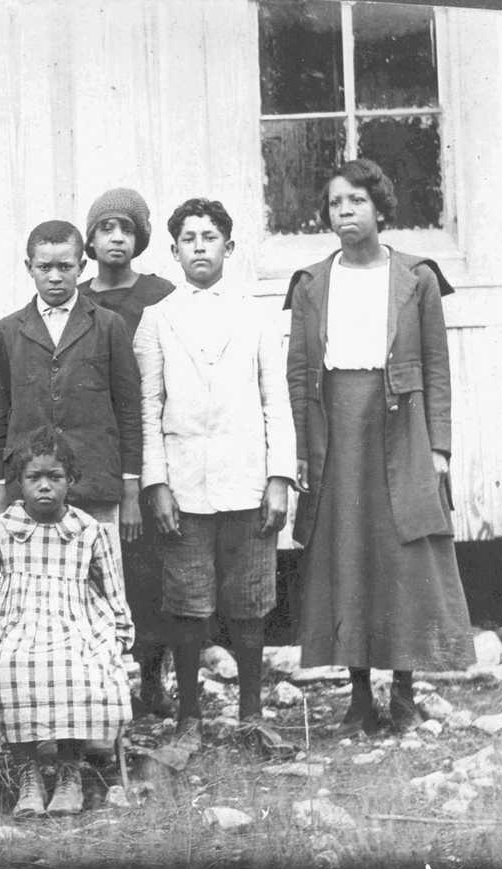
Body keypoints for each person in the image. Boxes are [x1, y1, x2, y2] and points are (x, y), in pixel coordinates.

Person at [284, 158, 474, 734]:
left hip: (402, 424)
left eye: (357, 201)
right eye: (336, 203)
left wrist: (438, 446)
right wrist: (298, 448)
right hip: (335, 425)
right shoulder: (313, 283)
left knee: (403, 552)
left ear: (380, 209)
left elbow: (437, 367)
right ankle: (360, 694)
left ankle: (407, 693)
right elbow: (299, 372)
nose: (345, 211)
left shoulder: (416, 277)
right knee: (348, 552)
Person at [135, 198, 294, 750]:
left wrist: (279, 478)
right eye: (189, 238)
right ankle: (188, 720)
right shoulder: (157, 318)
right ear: (174, 249)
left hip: (248, 482)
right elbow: (148, 405)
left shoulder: (255, 315)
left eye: (210, 237)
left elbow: (278, 401)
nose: (199, 246)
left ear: (229, 246)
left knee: (251, 601)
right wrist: (156, 484)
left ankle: (251, 715)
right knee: (187, 603)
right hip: (185, 486)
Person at [0, 430, 131, 817]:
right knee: (9, 664)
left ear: (71, 481)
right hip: (17, 618)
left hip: (73, 617)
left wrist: (120, 630)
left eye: (55, 477)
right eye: (34, 477)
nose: (44, 486)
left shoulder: (87, 530)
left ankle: (68, 771)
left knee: (76, 665)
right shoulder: (0, 528)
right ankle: (27, 773)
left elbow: (112, 589)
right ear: (20, 481)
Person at [0, 221, 142, 569]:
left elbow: (129, 409)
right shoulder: (8, 331)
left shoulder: (108, 325)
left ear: (82, 267)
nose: (55, 276)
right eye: (44, 267)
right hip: (29, 487)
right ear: (29, 268)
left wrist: (130, 489)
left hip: (95, 482)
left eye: (65, 267)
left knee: (98, 576)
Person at [77, 189, 177, 716]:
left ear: (140, 238)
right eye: (106, 228)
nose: (117, 237)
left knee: (146, 568)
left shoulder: (161, 295)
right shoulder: (73, 299)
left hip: (151, 446)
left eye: (127, 228)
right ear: (89, 240)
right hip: (94, 448)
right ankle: (100, 681)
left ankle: (153, 678)